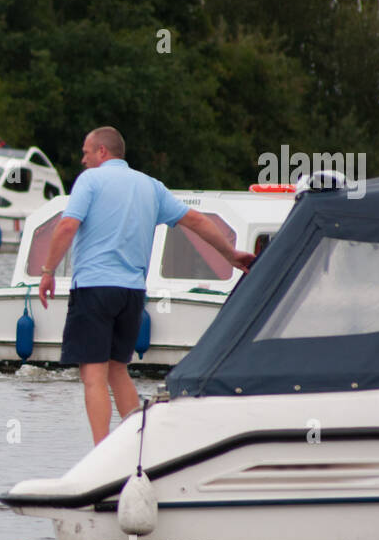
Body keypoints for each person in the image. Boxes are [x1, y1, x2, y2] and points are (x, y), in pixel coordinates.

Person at [38, 126, 254, 444]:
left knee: (93, 375)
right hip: (132, 293)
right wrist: (231, 253)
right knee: (118, 369)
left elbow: (68, 224)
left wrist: (47, 271)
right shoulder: (150, 186)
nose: (82, 160)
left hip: (94, 288)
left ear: (102, 152)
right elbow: (195, 220)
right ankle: (138, 447)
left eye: (86, 153)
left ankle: (102, 454)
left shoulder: (90, 181)